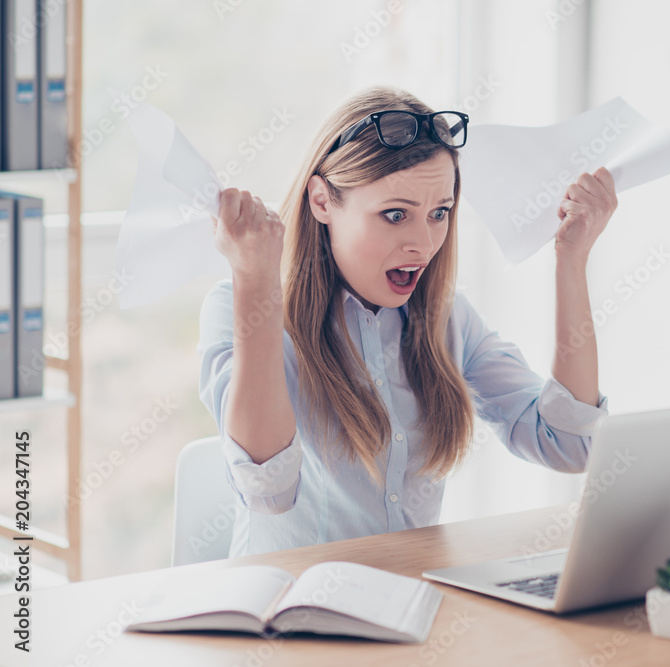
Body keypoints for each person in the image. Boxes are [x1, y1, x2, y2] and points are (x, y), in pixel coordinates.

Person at [197, 86, 617, 558]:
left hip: (409, 605)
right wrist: (255, 280)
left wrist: (572, 258)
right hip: (288, 612)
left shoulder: (447, 317)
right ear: (321, 202)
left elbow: (569, 444)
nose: (423, 243)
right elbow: (266, 490)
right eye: (394, 215)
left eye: (440, 213)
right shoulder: (242, 307)